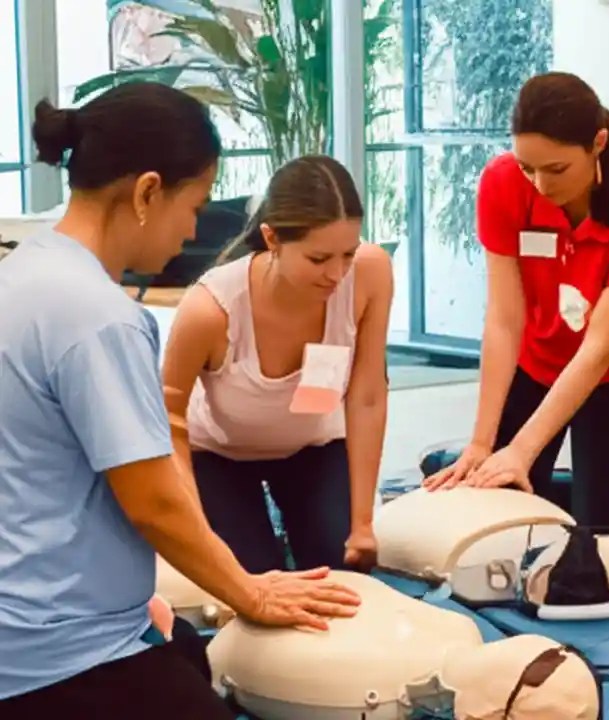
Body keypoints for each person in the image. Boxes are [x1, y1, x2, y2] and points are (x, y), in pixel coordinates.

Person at [0, 84, 360, 718]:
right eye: (193, 203)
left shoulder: (24, 272)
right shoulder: (99, 317)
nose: (196, 227)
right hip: (58, 656)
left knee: (187, 652)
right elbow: (156, 504)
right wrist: (250, 593)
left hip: (37, 625)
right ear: (146, 193)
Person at [422, 71, 609, 532]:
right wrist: (483, 443)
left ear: (598, 143)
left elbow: (599, 349)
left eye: (556, 169)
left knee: (608, 534)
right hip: (537, 361)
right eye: (528, 167)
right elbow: (504, 319)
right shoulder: (502, 184)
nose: (539, 184)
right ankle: (559, 483)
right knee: (495, 503)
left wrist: (522, 450)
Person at [162, 155, 393, 575]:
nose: (336, 273)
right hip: (219, 455)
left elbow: (368, 395)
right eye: (318, 259)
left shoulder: (371, 273)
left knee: (342, 571)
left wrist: (362, 524)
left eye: (347, 254)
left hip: (312, 447)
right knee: (256, 581)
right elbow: (166, 413)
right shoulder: (210, 309)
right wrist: (194, 530)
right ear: (272, 239)